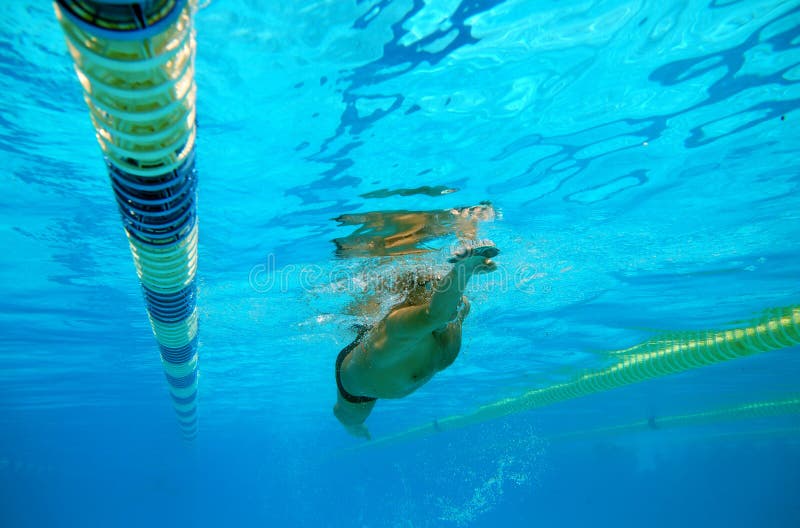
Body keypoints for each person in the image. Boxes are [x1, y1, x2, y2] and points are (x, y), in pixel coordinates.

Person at [333, 241, 500, 438]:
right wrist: (466, 269)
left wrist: (465, 268)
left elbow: (443, 309)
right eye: (426, 284)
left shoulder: (459, 306)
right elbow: (435, 314)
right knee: (350, 418)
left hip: (390, 369)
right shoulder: (396, 326)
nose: (434, 286)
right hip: (360, 378)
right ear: (410, 293)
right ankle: (355, 429)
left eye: (439, 282)